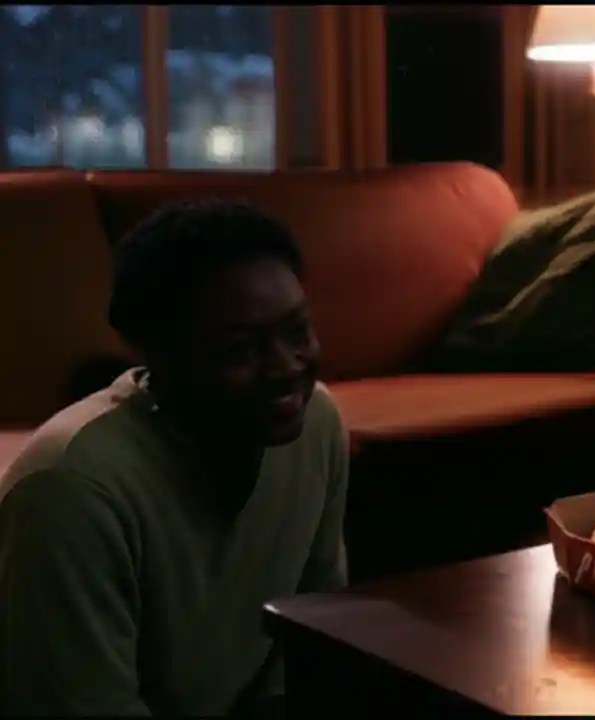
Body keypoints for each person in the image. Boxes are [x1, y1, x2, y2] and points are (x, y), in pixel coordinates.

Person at [0, 199, 348, 717]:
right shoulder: (72, 490)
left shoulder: (316, 423)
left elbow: (315, 632)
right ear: (158, 354)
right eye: (240, 349)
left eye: (297, 331)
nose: (286, 368)